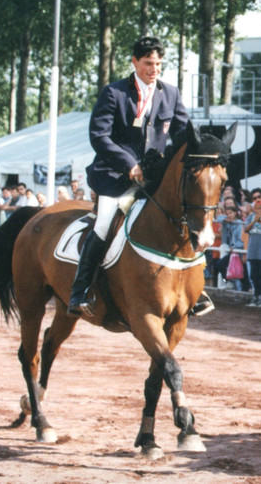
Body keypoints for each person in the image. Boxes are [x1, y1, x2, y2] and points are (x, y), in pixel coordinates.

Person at [67, 37, 193, 317]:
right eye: (148, 63)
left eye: (158, 64)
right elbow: (99, 136)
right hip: (115, 176)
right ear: (135, 62)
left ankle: (194, 288)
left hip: (153, 177)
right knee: (104, 223)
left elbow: (184, 135)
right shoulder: (114, 93)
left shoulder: (170, 93)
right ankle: (80, 290)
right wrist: (129, 165)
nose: (154, 69)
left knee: (183, 215)